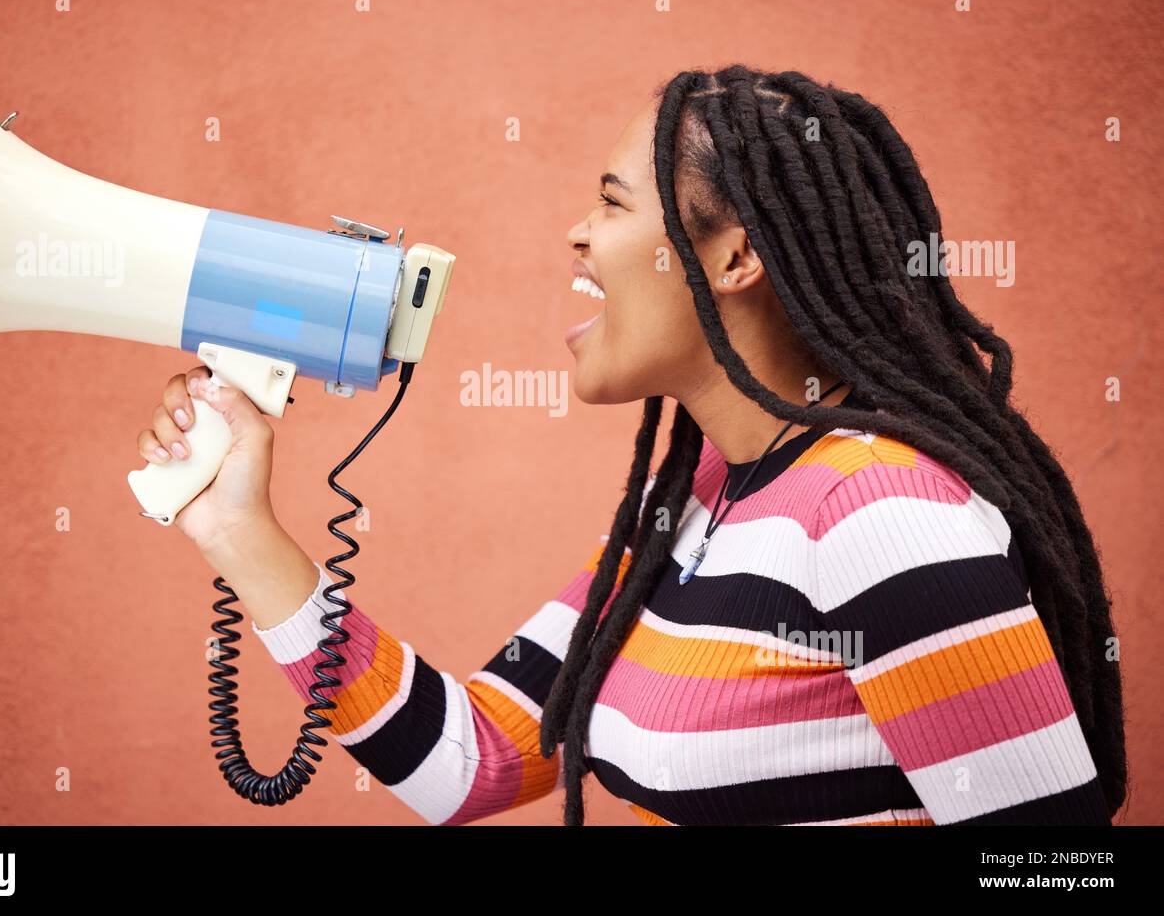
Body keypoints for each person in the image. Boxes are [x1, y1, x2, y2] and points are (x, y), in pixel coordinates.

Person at [135, 65, 1128, 826]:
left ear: (734, 254)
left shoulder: (877, 511)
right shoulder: (700, 499)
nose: (577, 235)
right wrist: (236, 529)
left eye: (612, 204)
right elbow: (476, 760)